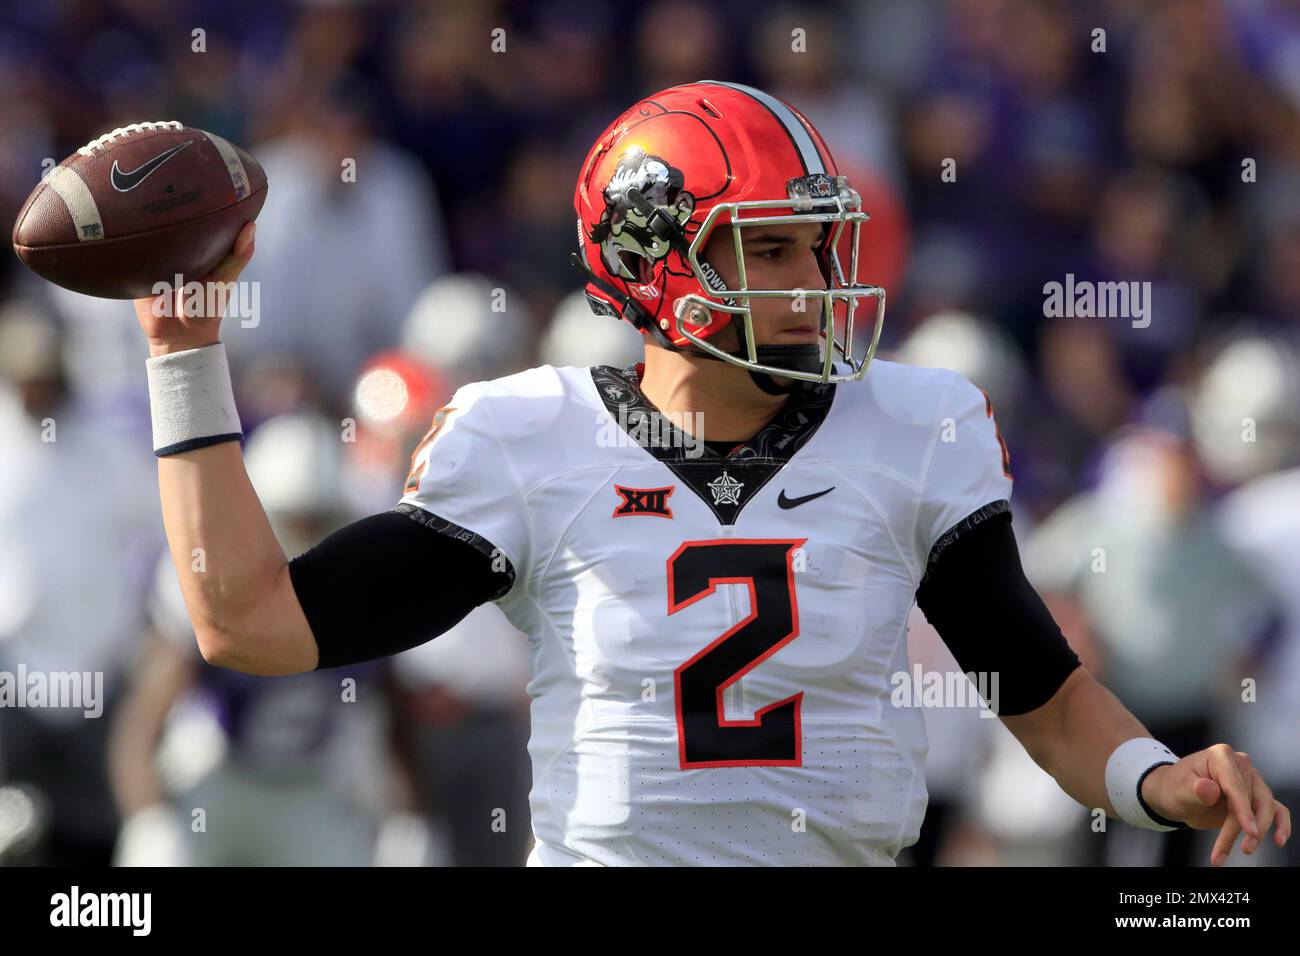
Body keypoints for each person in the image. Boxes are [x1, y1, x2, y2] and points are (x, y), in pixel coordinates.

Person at [131, 81, 1290, 867]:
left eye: (818, 244)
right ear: (655, 267)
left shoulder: (914, 425)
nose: (817, 282)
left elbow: (1042, 699)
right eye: (772, 249)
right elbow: (253, 621)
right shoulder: (529, 438)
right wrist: (185, 359)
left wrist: (1154, 777)